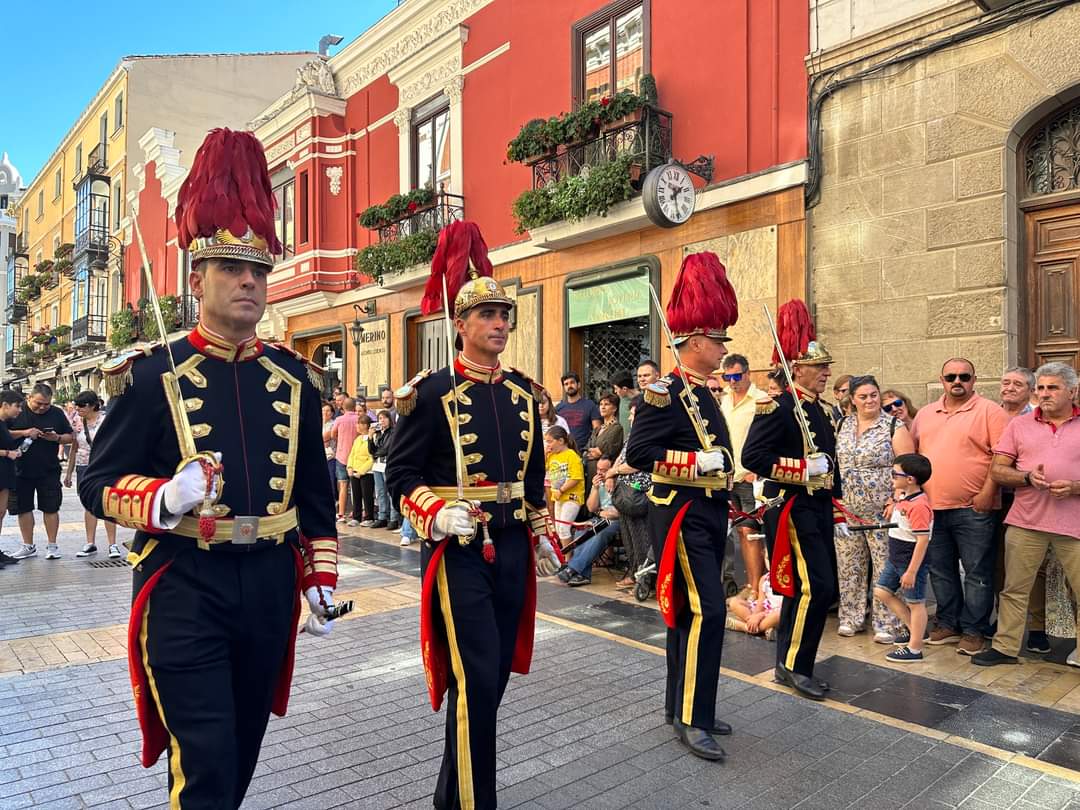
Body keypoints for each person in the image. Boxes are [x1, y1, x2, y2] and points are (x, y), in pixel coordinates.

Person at [79, 129, 339, 809]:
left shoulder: (292, 377)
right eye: (231, 270)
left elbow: (315, 493)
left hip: (268, 584)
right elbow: (97, 482)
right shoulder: (152, 374)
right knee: (205, 763)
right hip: (185, 585)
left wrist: (319, 578)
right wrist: (165, 496)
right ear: (196, 280)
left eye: (258, 272)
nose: (250, 282)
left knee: (242, 752)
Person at [385, 220, 559, 810]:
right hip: (462, 550)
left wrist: (540, 530)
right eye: (487, 315)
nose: (500, 324)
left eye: (504, 314)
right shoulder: (431, 393)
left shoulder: (523, 393)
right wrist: (435, 513)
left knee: (492, 680)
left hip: (511, 550)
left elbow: (532, 477)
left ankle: (448, 794)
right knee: (477, 679)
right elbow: (400, 475)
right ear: (460, 325)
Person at [627, 251, 738, 761]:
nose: (722, 349)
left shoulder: (703, 392)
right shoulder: (663, 393)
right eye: (717, 341)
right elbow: (640, 454)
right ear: (695, 342)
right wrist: (697, 463)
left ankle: (685, 705)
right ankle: (692, 718)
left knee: (692, 615)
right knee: (706, 612)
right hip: (683, 515)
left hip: (710, 513)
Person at [742, 299, 843, 702]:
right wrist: (802, 470)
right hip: (792, 508)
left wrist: (835, 501)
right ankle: (796, 667)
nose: (826, 373)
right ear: (796, 368)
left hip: (817, 508)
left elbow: (831, 465)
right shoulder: (779, 408)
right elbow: (753, 458)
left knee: (815, 588)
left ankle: (790, 662)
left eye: (826, 367)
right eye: (819, 367)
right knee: (813, 588)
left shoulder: (822, 411)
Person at [973, 363, 1080, 667]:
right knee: (1014, 589)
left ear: (1072, 391)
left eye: (1053, 388)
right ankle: (1005, 647)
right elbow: (998, 469)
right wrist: (1027, 478)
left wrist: (1074, 487)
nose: (1043, 394)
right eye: (1040, 388)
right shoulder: (1019, 426)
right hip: (1026, 521)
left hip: (1075, 525)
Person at [912, 358, 1009, 655]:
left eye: (964, 376)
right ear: (942, 380)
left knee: (978, 572)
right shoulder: (926, 414)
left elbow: (1002, 458)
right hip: (932, 508)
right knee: (940, 571)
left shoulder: (991, 412)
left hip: (974, 508)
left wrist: (987, 492)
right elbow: (913, 459)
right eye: (951, 376)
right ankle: (948, 623)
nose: (958, 381)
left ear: (974, 380)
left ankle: (974, 630)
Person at [833, 375, 914, 643]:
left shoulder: (893, 425)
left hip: (884, 511)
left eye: (874, 395)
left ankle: (887, 623)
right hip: (848, 510)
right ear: (852, 400)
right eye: (863, 396)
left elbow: (907, 466)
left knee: (885, 567)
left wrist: (897, 498)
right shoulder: (843, 424)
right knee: (849, 566)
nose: (870, 400)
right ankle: (851, 617)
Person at [875, 453, 935, 663]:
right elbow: (900, 503)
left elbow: (922, 540)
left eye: (894, 474)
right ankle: (916, 630)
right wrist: (894, 504)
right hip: (896, 558)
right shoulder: (905, 496)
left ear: (910, 479)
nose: (891, 478)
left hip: (909, 561)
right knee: (882, 591)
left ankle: (915, 648)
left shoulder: (919, 505)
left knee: (916, 603)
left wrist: (911, 571)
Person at [719, 352, 768, 598]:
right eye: (727, 377)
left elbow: (770, 437)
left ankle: (756, 586)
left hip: (750, 476)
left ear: (748, 374)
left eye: (737, 375)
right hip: (730, 476)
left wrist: (757, 470)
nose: (732, 381)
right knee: (740, 532)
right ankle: (751, 583)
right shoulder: (725, 400)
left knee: (751, 532)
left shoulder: (761, 399)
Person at [8, 383, 74, 560]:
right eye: (38, 403)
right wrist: (24, 433)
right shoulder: (17, 411)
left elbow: (70, 436)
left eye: (46, 404)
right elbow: (5, 433)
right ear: (29, 398)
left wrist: (57, 438)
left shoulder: (57, 413)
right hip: (20, 469)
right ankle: (28, 546)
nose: (43, 407)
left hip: (49, 469)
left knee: (51, 508)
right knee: (23, 508)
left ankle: (52, 546)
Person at [64, 391, 120, 559]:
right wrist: (68, 472)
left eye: (82, 406)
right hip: (84, 466)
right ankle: (90, 542)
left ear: (92, 405)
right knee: (88, 504)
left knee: (106, 503)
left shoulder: (107, 420)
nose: (78, 409)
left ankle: (113, 544)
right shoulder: (77, 421)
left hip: (103, 466)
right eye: (77, 405)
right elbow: (74, 447)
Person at [604, 396, 651, 588]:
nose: (630, 419)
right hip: (624, 492)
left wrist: (613, 471)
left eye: (633, 414)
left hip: (638, 493)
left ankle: (643, 578)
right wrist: (610, 475)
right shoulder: (634, 434)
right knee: (628, 536)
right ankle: (633, 572)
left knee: (641, 538)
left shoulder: (649, 435)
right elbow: (621, 457)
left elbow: (635, 463)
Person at [557, 457, 620, 586]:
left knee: (598, 533)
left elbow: (618, 512)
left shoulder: (619, 482)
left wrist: (601, 513)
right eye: (598, 469)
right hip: (600, 517)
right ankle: (582, 574)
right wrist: (595, 488)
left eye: (604, 470)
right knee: (581, 533)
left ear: (612, 469)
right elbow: (591, 507)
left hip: (617, 520)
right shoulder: (598, 482)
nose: (600, 473)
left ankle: (572, 569)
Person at [545, 426, 584, 545]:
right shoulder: (552, 455)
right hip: (558, 497)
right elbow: (544, 469)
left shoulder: (571, 455)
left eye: (550, 441)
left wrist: (561, 490)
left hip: (571, 497)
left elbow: (575, 478)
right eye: (546, 441)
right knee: (558, 528)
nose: (548, 444)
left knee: (563, 528)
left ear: (561, 441)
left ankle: (568, 560)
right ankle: (568, 556)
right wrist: (545, 454)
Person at [0, 390, 25, 569]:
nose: (19, 410)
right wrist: (8, 453)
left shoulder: (4, 423)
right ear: (5, 405)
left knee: (1, 512)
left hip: (6, 471)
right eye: (17, 406)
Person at [330, 396, 360, 524]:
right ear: (354, 407)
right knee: (356, 487)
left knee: (342, 485)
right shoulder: (359, 419)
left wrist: (340, 440)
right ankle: (355, 512)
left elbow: (332, 434)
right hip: (356, 456)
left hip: (341, 455)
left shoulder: (339, 419)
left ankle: (341, 514)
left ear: (343, 407)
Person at [582, 393, 624, 484]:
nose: (603, 407)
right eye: (601, 404)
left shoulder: (617, 428)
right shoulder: (598, 428)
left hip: (605, 475)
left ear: (614, 408)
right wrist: (593, 451)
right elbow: (586, 449)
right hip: (590, 472)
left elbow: (607, 452)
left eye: (607, 404)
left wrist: (598, 451)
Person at [370, 409, 401, 530]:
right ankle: (382, 517)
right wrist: (369, 438)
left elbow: (385, 450)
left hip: (388, 465)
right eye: (380, 419)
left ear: (389, 419)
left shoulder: (393, 432)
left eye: (384, 418)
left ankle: (393, 518)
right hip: (377, 466)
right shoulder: (378, 434)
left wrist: (376, 453)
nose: (382, 421)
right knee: (380, 492)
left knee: (390, 492)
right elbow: (371, 451)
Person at [726, 573, 781, 639]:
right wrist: (754, 616)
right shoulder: (765, 578)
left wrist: (760, 616)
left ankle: (743, 627)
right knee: (734, 602)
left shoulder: (788, 581)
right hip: (763, 608)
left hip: (774, 612)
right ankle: (759, 628)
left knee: (778, 615)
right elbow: (761, 601)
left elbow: (785, 608)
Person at [556, 371, 601, 452]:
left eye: (572, 382)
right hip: (562, 452)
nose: (569, 386)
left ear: (579, 385)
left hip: (583, 452)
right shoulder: (559, 408)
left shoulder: (590, 405)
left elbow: (597, 430)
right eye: (566, 384)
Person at [346, 413, 375, 528]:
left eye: (360, 423)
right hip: (354, 471)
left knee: (367, 495)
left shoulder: (371, 438)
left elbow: (371, 457)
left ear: (366, 425)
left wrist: (361, 472)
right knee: (356, 495)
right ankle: (356, 517)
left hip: (366, 472)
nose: (357, 426)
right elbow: (352, 454)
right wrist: (350, 467)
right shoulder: (357, 439)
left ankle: (369, 517)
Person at [322, 401, 338, 504]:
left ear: (332, 413)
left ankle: (332, 500)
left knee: (331, 479)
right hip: (320, 456)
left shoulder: (333, 423)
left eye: (328, 411)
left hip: (331, 455)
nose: (325, 413)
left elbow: (324, 437)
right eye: (323, 410)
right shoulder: (317, 423)